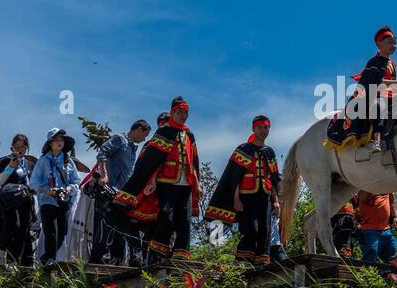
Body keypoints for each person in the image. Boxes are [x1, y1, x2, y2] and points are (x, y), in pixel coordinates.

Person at [111, 97, 201, 263]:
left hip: (186, 184)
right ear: (173, 112)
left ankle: (181, 256)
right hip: (167, 182)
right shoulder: (164, 133)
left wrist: (197, 182)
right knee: (166, 217)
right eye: (180, 112)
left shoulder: (189, 135)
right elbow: (152, 161)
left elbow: (194, 161)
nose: (183, 115)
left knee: (184, 221)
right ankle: (157, 255)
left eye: (186, 112)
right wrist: (151, 181)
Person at [205, 115, 282, 265]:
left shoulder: (270, 152)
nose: (263, 131)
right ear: (253, 128)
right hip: (246, 197)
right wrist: (236, 199)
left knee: (265, 232)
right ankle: (242, 262)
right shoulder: (243, 149)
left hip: (265, 196)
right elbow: (235, 178)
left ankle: (261, 262)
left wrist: (276, 202)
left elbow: (272, 179)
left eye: (266, 128)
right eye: (260, 127)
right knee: (250, 230)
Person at [330, 26, 397, 154]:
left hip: (390, 93)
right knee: (378, 105)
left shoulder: (392, 64)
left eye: (395, 43)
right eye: (390, 42)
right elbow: (378, 83)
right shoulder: (374, 62)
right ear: (380, 44)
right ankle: (377, 141)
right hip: (373, 94)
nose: (394, 45)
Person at [90, 119, 151, 265]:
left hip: (122, 195)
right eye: (145, 135)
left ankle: (119, 260)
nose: (144, 139)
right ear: (138, 129)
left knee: (122, 228)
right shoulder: (119, 139)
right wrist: (104, 175)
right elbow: (102, 153)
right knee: (104, 226)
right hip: (108, 191)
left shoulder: (132, 148)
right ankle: (96, 260)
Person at [30, 128, 81, 265]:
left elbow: (76, 181)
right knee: (50, 230)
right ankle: (49, 259)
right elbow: (34, 182)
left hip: (64, 201)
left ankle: (47, 257)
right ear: (50, 143)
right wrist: (47, 190)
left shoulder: (68, 161)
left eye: (62, 140)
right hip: (47, 200)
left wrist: (69, 189)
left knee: (62, 231)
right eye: (56, 140)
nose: (60, 142)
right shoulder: (43, 160)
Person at [0, 134, 37, 266]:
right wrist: (11, 167)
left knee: (23, 231)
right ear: (11, 147)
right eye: (17, 147)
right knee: (13, 225)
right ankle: (1, 251)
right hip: (8, 201)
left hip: (25, 201)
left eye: (23, 147)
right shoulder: (4, 161)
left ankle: (13, 262)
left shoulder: (30, 164)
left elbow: (34, 183)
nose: (20, 150)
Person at [356, 190, 397, 265]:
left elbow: (392, 201)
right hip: (369, 230)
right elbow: (361, 197)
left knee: (396, 256)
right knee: (371, 256)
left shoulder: (387, 188)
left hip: (386, 230)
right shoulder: (365, 189)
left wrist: (395, 217)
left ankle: (393, 276)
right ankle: (367, 276)